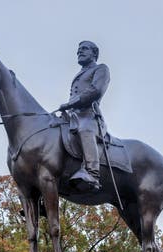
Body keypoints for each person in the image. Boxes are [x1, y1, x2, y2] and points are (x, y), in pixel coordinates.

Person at [59, 40, 110, 192]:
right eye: (78, 49)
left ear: (94, 53)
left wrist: (70, 103)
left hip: (89, 116)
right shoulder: (79, 74)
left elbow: (96, 90)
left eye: (84, 48)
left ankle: (92, 174)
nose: (79, 51)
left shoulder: (101, 69)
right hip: (73, 116)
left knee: (85, 129)